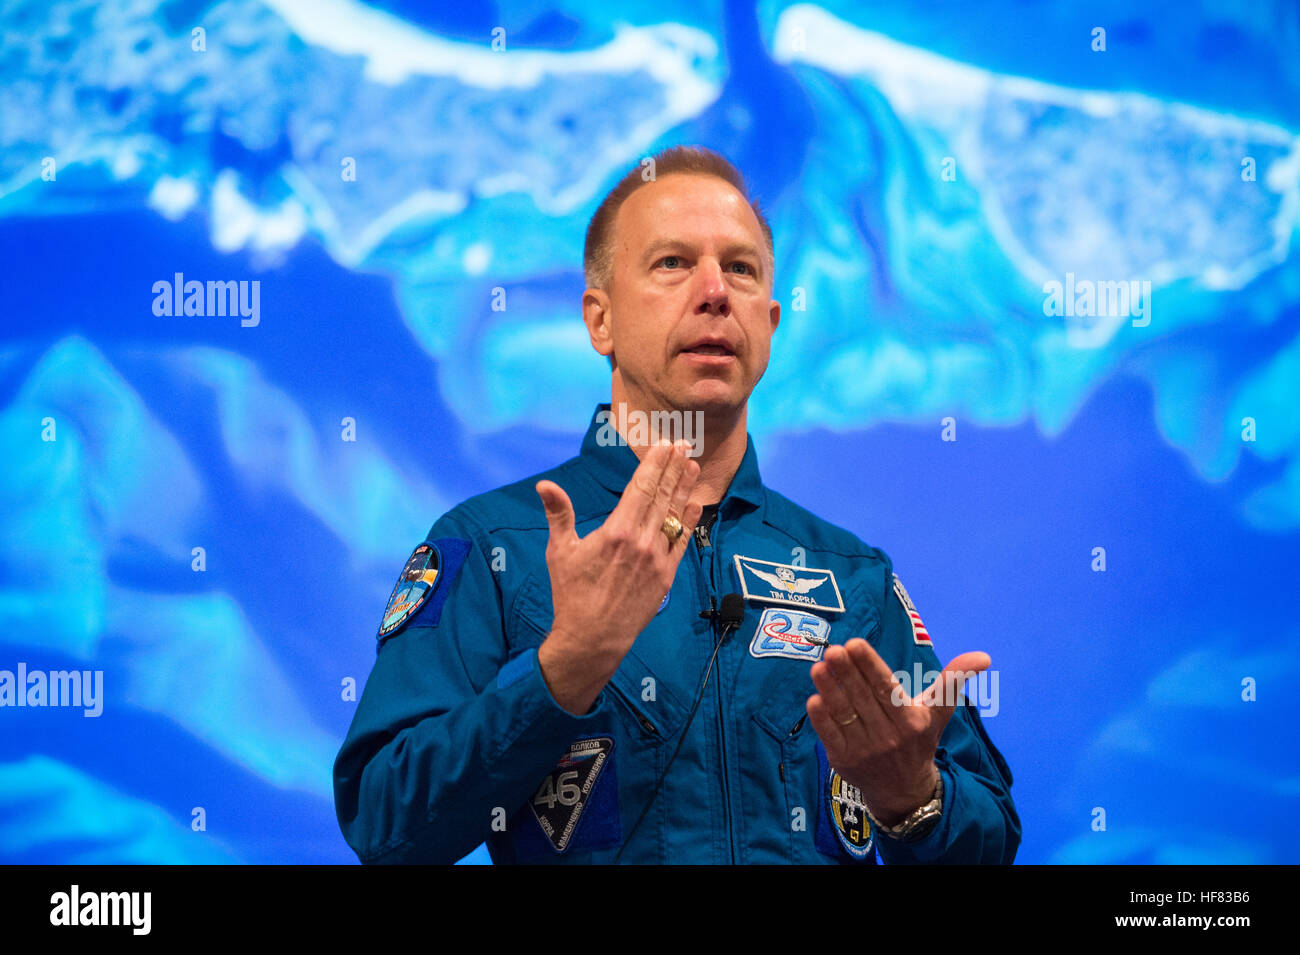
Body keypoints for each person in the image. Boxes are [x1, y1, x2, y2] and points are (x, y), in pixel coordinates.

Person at [332, 146, 1020, 864]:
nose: (716, 292)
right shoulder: (493, 545)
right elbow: (385, 822)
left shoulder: (851, 575)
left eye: (742, 269)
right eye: (672, 264)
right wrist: (565, 666)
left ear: (772, 322)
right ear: (599, 321)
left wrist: (914, 801)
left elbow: (992, 836)